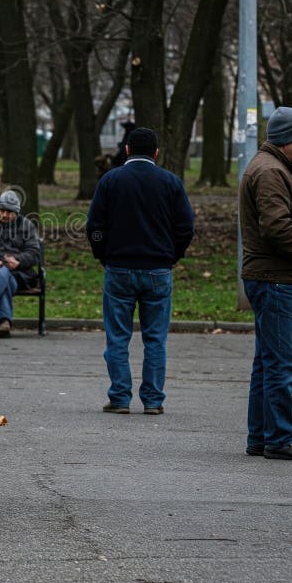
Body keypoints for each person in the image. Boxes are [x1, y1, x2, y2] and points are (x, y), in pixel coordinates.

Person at [86, 127, 194, 415]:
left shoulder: (110, 180)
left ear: (128, 150)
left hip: (119, 268)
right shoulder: (171, 182)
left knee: (118, 338)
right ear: (156, 152)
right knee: (156, 339)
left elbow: (95, 227)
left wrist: (103, 255)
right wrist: (173, 255)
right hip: (158, 269)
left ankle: (120, 397)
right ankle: (153, 400)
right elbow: (186, 227)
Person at [239, 106, 292, 460]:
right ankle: (279, 439)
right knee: (282, 364)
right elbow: (276, 227)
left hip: (270, 278)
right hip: (277, 279)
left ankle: (261, 437)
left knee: (267, 362)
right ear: (287, 139)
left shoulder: (270, 166)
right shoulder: (272, 172)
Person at [0, 189, 41, 338]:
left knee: (4, 273)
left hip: (20, 275)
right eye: (2, 210)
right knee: (4, 276)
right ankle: (4, 323)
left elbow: (34, 252)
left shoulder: (26, 225)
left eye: (9, 212)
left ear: (17, 212)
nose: (5, 215)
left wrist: (18, 261)